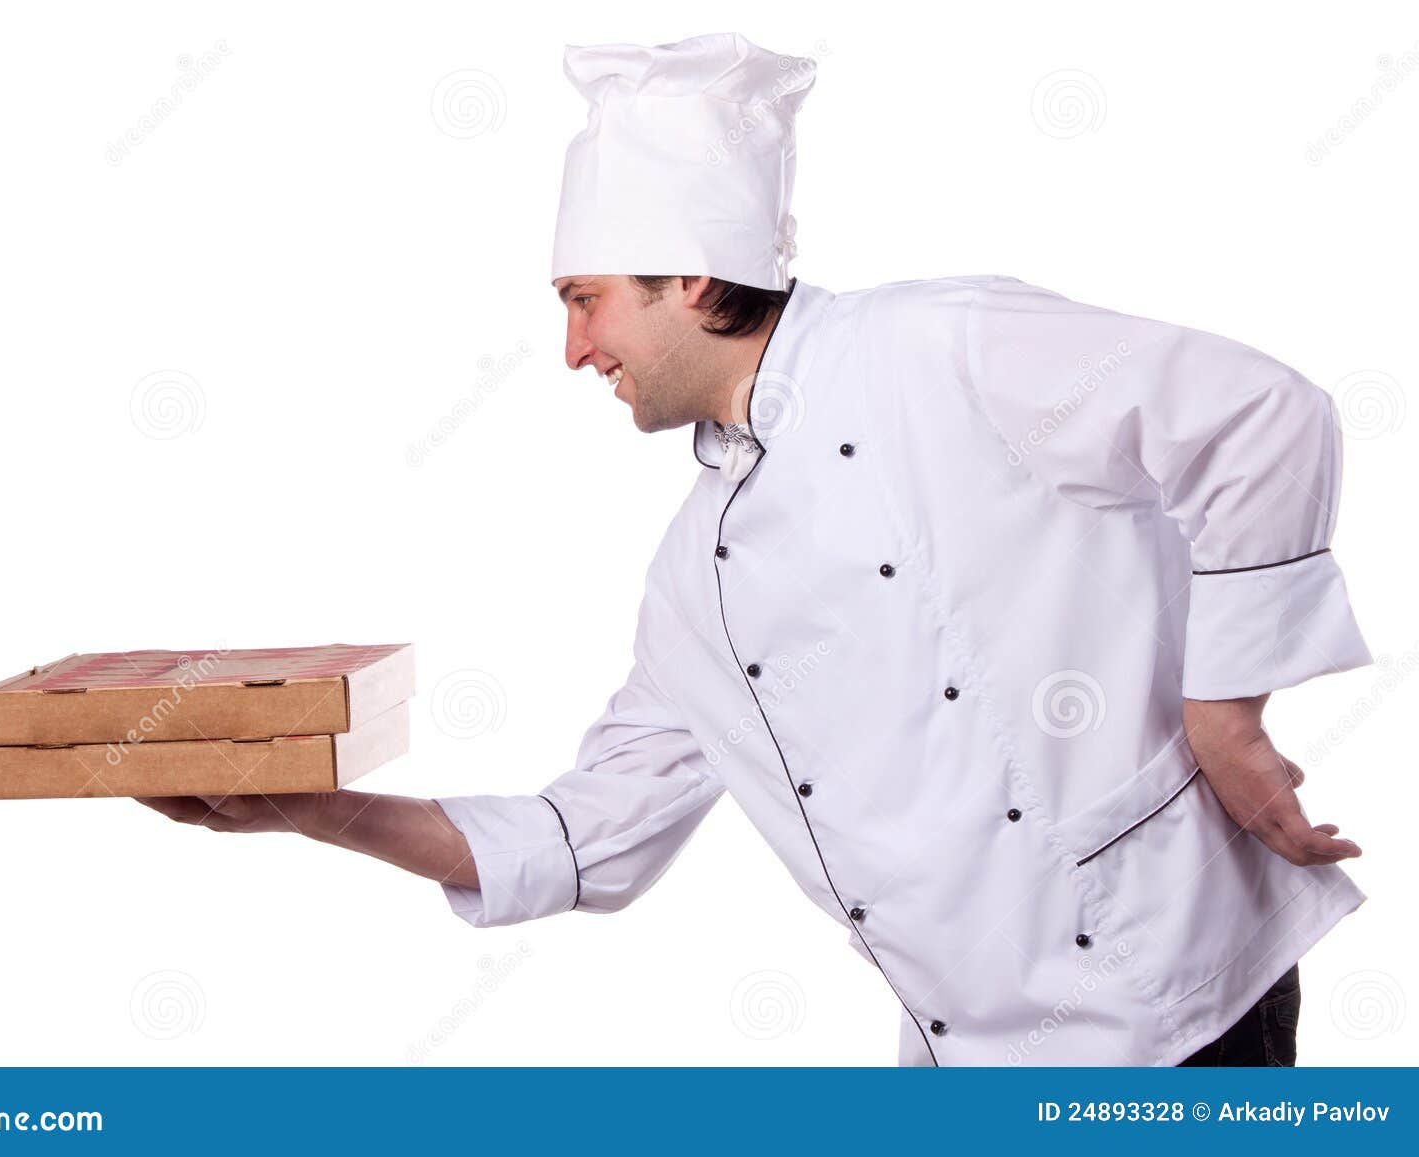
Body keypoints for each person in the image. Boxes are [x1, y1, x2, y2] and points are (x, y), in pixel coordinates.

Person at [138, 32, 1371, 1066]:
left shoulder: (932, 349)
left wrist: (1226, 709)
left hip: (1169, 1003)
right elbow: (584, 837)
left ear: (686, 275)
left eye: (584, 300)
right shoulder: (697, 581)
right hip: (963, 1062)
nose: (573, 350)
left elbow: (1261, 417)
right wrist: (313, 810)